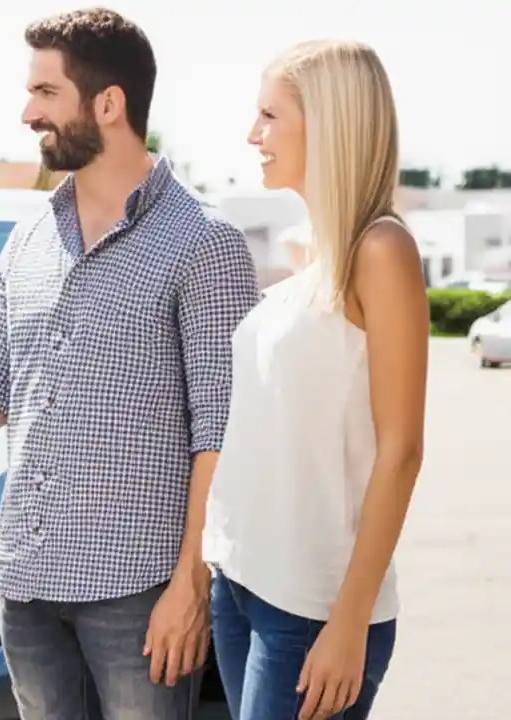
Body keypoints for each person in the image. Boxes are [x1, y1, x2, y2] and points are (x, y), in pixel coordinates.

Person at [0, 7, 260, 719]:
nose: (27, 112)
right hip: (24, 589)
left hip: (138, 591)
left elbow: (221, 432)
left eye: (45, 93)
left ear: (109, 104)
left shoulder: (203, 243)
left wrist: (192, 583)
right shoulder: (28, 239)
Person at [201, 40, 428, 720]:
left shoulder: (381, 250)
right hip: (240, 584)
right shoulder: (310, 257)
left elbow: (402, 451)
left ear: (327, 124)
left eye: (270, 115)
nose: (253, 135)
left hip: (313, 609)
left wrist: (350, 622)